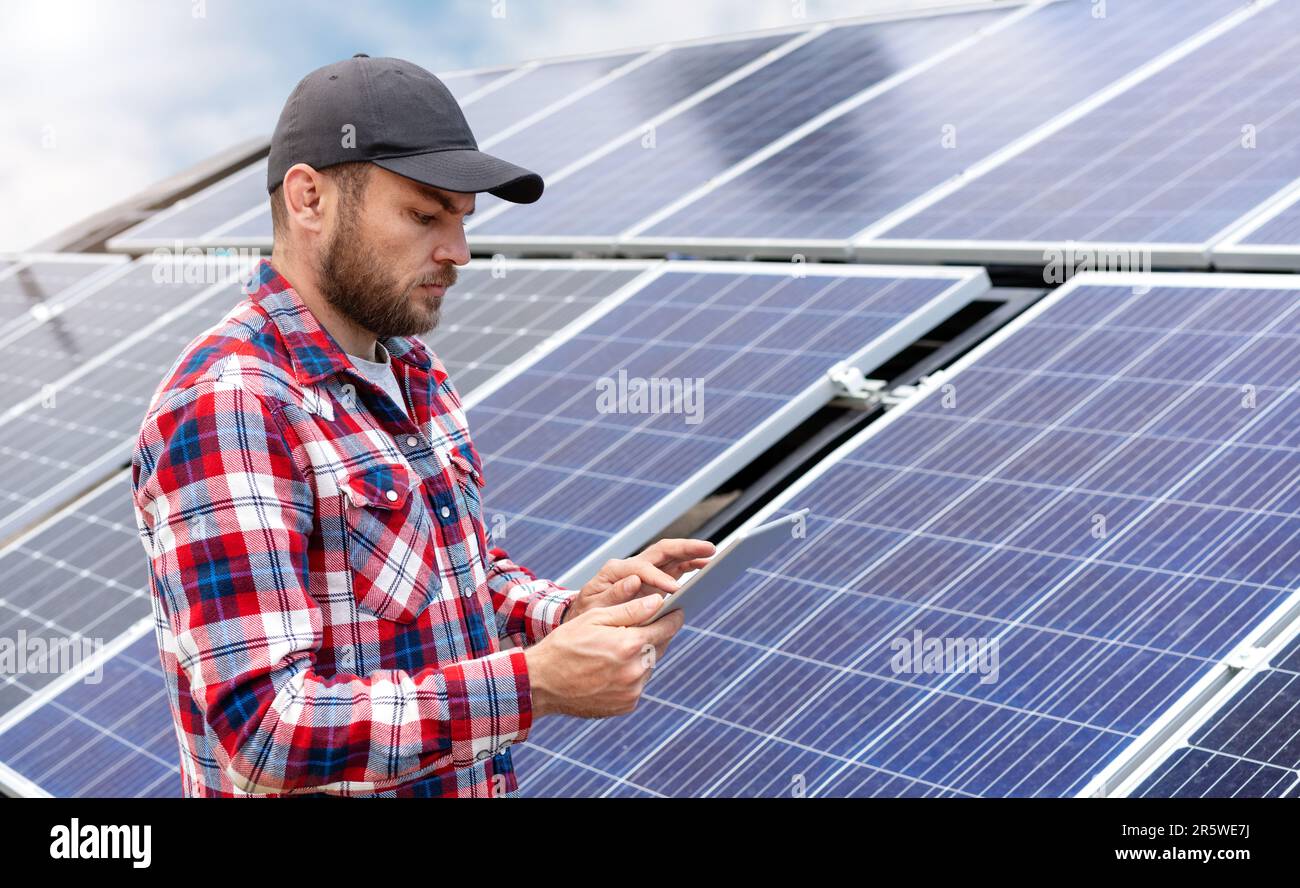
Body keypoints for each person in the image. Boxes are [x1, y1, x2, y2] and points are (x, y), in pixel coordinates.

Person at [130, 54, 714, 797]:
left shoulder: (414, 373)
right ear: (309, 199)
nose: (458, 252)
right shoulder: (231, 403)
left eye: (463, 221)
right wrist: (534, 684)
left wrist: (567, 612)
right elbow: (266, 731)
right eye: (424, 214)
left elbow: (449, 582)